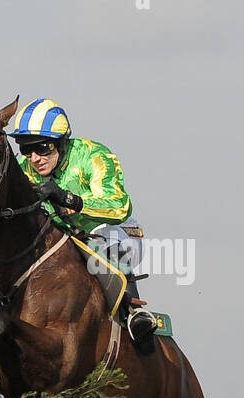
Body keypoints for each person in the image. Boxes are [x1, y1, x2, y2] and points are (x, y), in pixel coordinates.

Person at [12, 98, 158, 343]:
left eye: (43, 147)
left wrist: (69, 199)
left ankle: (133, 311)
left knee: (105, 236)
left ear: (61, 143)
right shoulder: (25, 167)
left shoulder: (95, 156)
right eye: (26, 149)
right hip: (68, 238)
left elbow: (119, 207)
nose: (35, 158)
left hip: (118, 233)